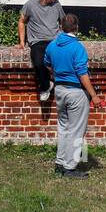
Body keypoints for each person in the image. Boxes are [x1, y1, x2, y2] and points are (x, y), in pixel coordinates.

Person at [43, 13, 98, 178]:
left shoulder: (52, 45)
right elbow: (82, 73)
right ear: (76, 27)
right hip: (76, 91)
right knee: (76, 130)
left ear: (61, 27)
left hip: (60, 89)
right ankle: (70, 167)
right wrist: (94, 95)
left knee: (64, 127)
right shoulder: (77, 47)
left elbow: (47, 63)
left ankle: (60, 163)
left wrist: (57, 74)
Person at [19, 0, 64, 102]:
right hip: (37, 41)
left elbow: (63, 22)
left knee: (61, 61)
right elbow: (22, 21)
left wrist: (62, 37)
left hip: (54, 40)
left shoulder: (57, 4)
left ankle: (66, 88)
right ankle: (45, 87)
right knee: (38, 63)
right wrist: (22, 42)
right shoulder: (30, 5)